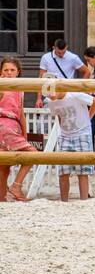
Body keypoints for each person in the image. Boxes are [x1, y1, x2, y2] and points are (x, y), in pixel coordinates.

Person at [44, 83, 95, 201]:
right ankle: (64, 201)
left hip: (82, 134)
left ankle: (84, 200)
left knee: (82, 171)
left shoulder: (75, 94)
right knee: (63, 172)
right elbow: (58, 115)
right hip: (65, 135)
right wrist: (63, 128)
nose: (51, 96)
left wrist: (88, 118)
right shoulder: (51, 100)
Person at [0, 56, 36, 201]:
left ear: (18, 72)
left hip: (14, 128)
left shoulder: (20, 89)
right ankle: (14, 188)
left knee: (4, 166)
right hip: (3, 127)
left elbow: (21, 114)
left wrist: (25, 135)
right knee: (32, 154)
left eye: (12, 70)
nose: (9, 73)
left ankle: (5, 195)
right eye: (6, 70)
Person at [36, 39, 84, 108]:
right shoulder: (46, 58)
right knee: (50, 117)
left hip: (68, 94)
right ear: (54, 48)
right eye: (59, 52)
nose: (61, 54)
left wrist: (81, 90)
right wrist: (39, 98)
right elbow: (41, 78)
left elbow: (86, 72)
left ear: (66, 47)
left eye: (63, 52)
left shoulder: (73, 57)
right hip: (51, 94)